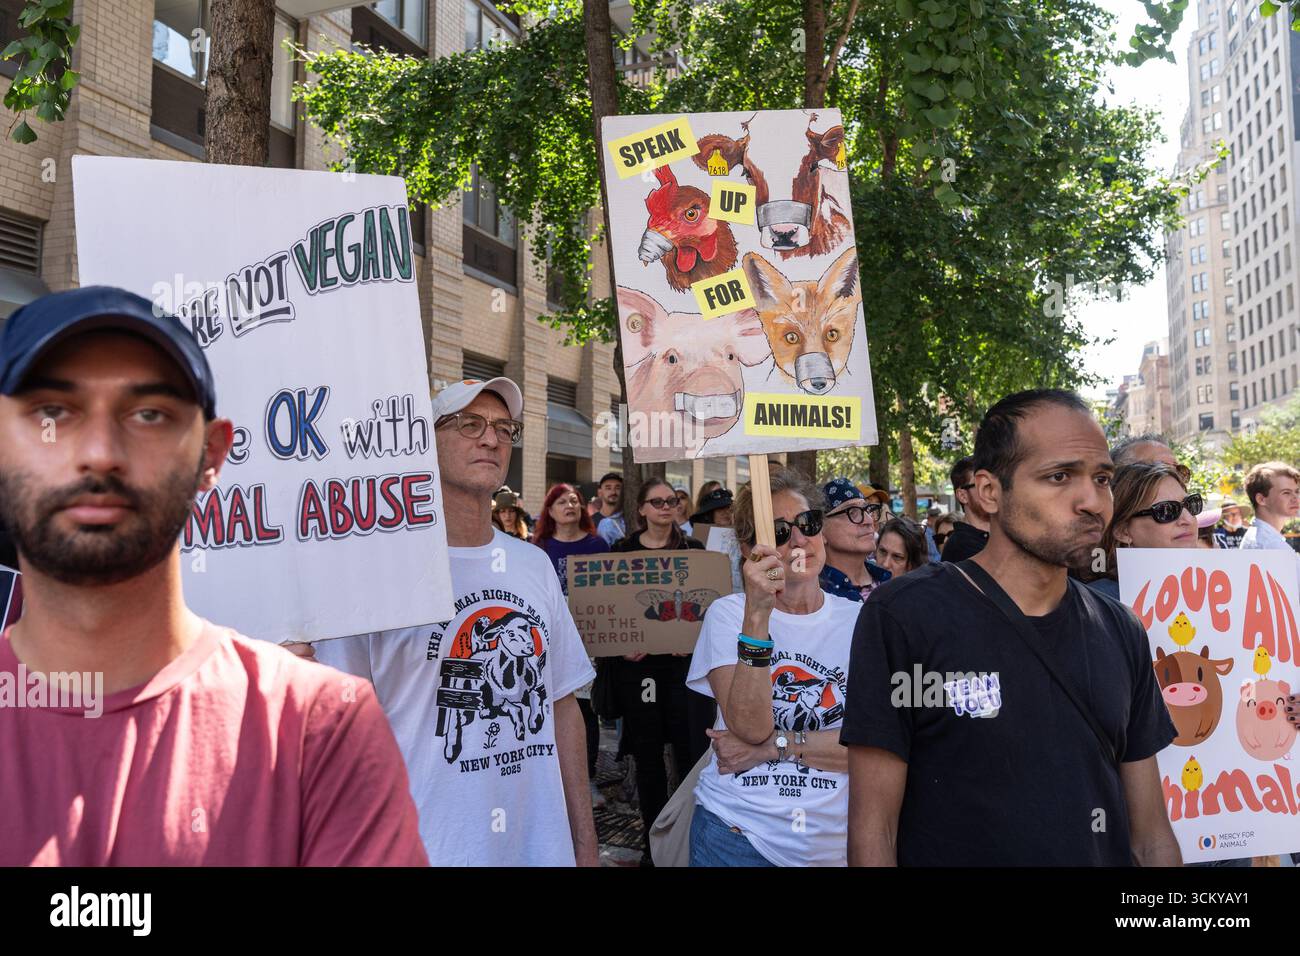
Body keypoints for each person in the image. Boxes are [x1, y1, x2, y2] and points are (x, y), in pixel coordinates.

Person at [0, 287, 426, 865]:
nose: (100, 452)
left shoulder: (320, 729)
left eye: (149, 414)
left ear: (211, 455)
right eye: (52, 412)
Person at [842, 388, 1180, 866]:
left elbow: (1151, 838)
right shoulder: (905, 615)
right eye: (1059, 476)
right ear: (989, 492)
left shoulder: (1120, 628)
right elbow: (875, 830)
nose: (1091, 500)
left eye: (1103, 478)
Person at [315, 377, 598, 866]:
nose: (491, 439)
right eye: (470, 425)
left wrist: (584, 844)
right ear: (427, 440)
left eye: (504, 428)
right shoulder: (372, 575)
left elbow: (561, 705)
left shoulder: (531, 565)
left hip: (539, 848)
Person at [686, 466, 858, 866]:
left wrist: (769, 749)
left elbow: (869, 747)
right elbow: (748, 725)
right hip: (737, 838)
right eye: (779, 532)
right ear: (748, 549)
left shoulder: (861, 620)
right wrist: (758, 616)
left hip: (832, 844)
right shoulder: (729, 615)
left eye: (807, 523)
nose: (799, 540)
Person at [608, 477, 704, 865]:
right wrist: (621, 648)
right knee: (647, 759)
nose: (666, 507)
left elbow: (710, 610)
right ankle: (652, 846)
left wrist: (693, 640)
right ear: (642, 509)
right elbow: (610, 612)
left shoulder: (694, 551)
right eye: (657, 501)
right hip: (639, 671)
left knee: (688, 756)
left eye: (672, 500)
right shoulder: (621, 551)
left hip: (683, 668)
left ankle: (683, 842)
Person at [532, 482, 610, 800]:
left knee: (583, 709)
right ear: (549, 511)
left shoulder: (598, 546)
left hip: (588, 641)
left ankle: (586, 778)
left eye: (575, 500)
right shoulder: (538, 549)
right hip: (546, 641)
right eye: (562, 501)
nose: (570, 505)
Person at [1080, 462, 1201, 601]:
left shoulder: (1222, 586)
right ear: (1123, 532)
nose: (1188, 519)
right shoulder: (1098, 602)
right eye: (1166, 510)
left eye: (1191, 504)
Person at [818, 476, 890, 602]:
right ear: (821, 530)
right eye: (852, 512)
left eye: (868, 510)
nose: (869, 521)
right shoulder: (814, 595)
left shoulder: (889, 581)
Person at [1240, 462, 1300, 574]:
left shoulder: (1259, 537)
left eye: (1297, 492)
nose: (1295, 498)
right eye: (1286, 493)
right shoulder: (1272, 545)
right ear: (1261, 499)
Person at [942, 456, 990, 562]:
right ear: (962, 496)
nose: (991, 491)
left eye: (993, 484)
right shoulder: (960, 548)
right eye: (981, 486)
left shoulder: (1000, 536)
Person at [593, 472, 625, 545]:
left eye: (617, 488)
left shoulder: (628, 519)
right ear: (599, 492)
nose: (613, 492)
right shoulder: (590, 521)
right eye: (608, 488)